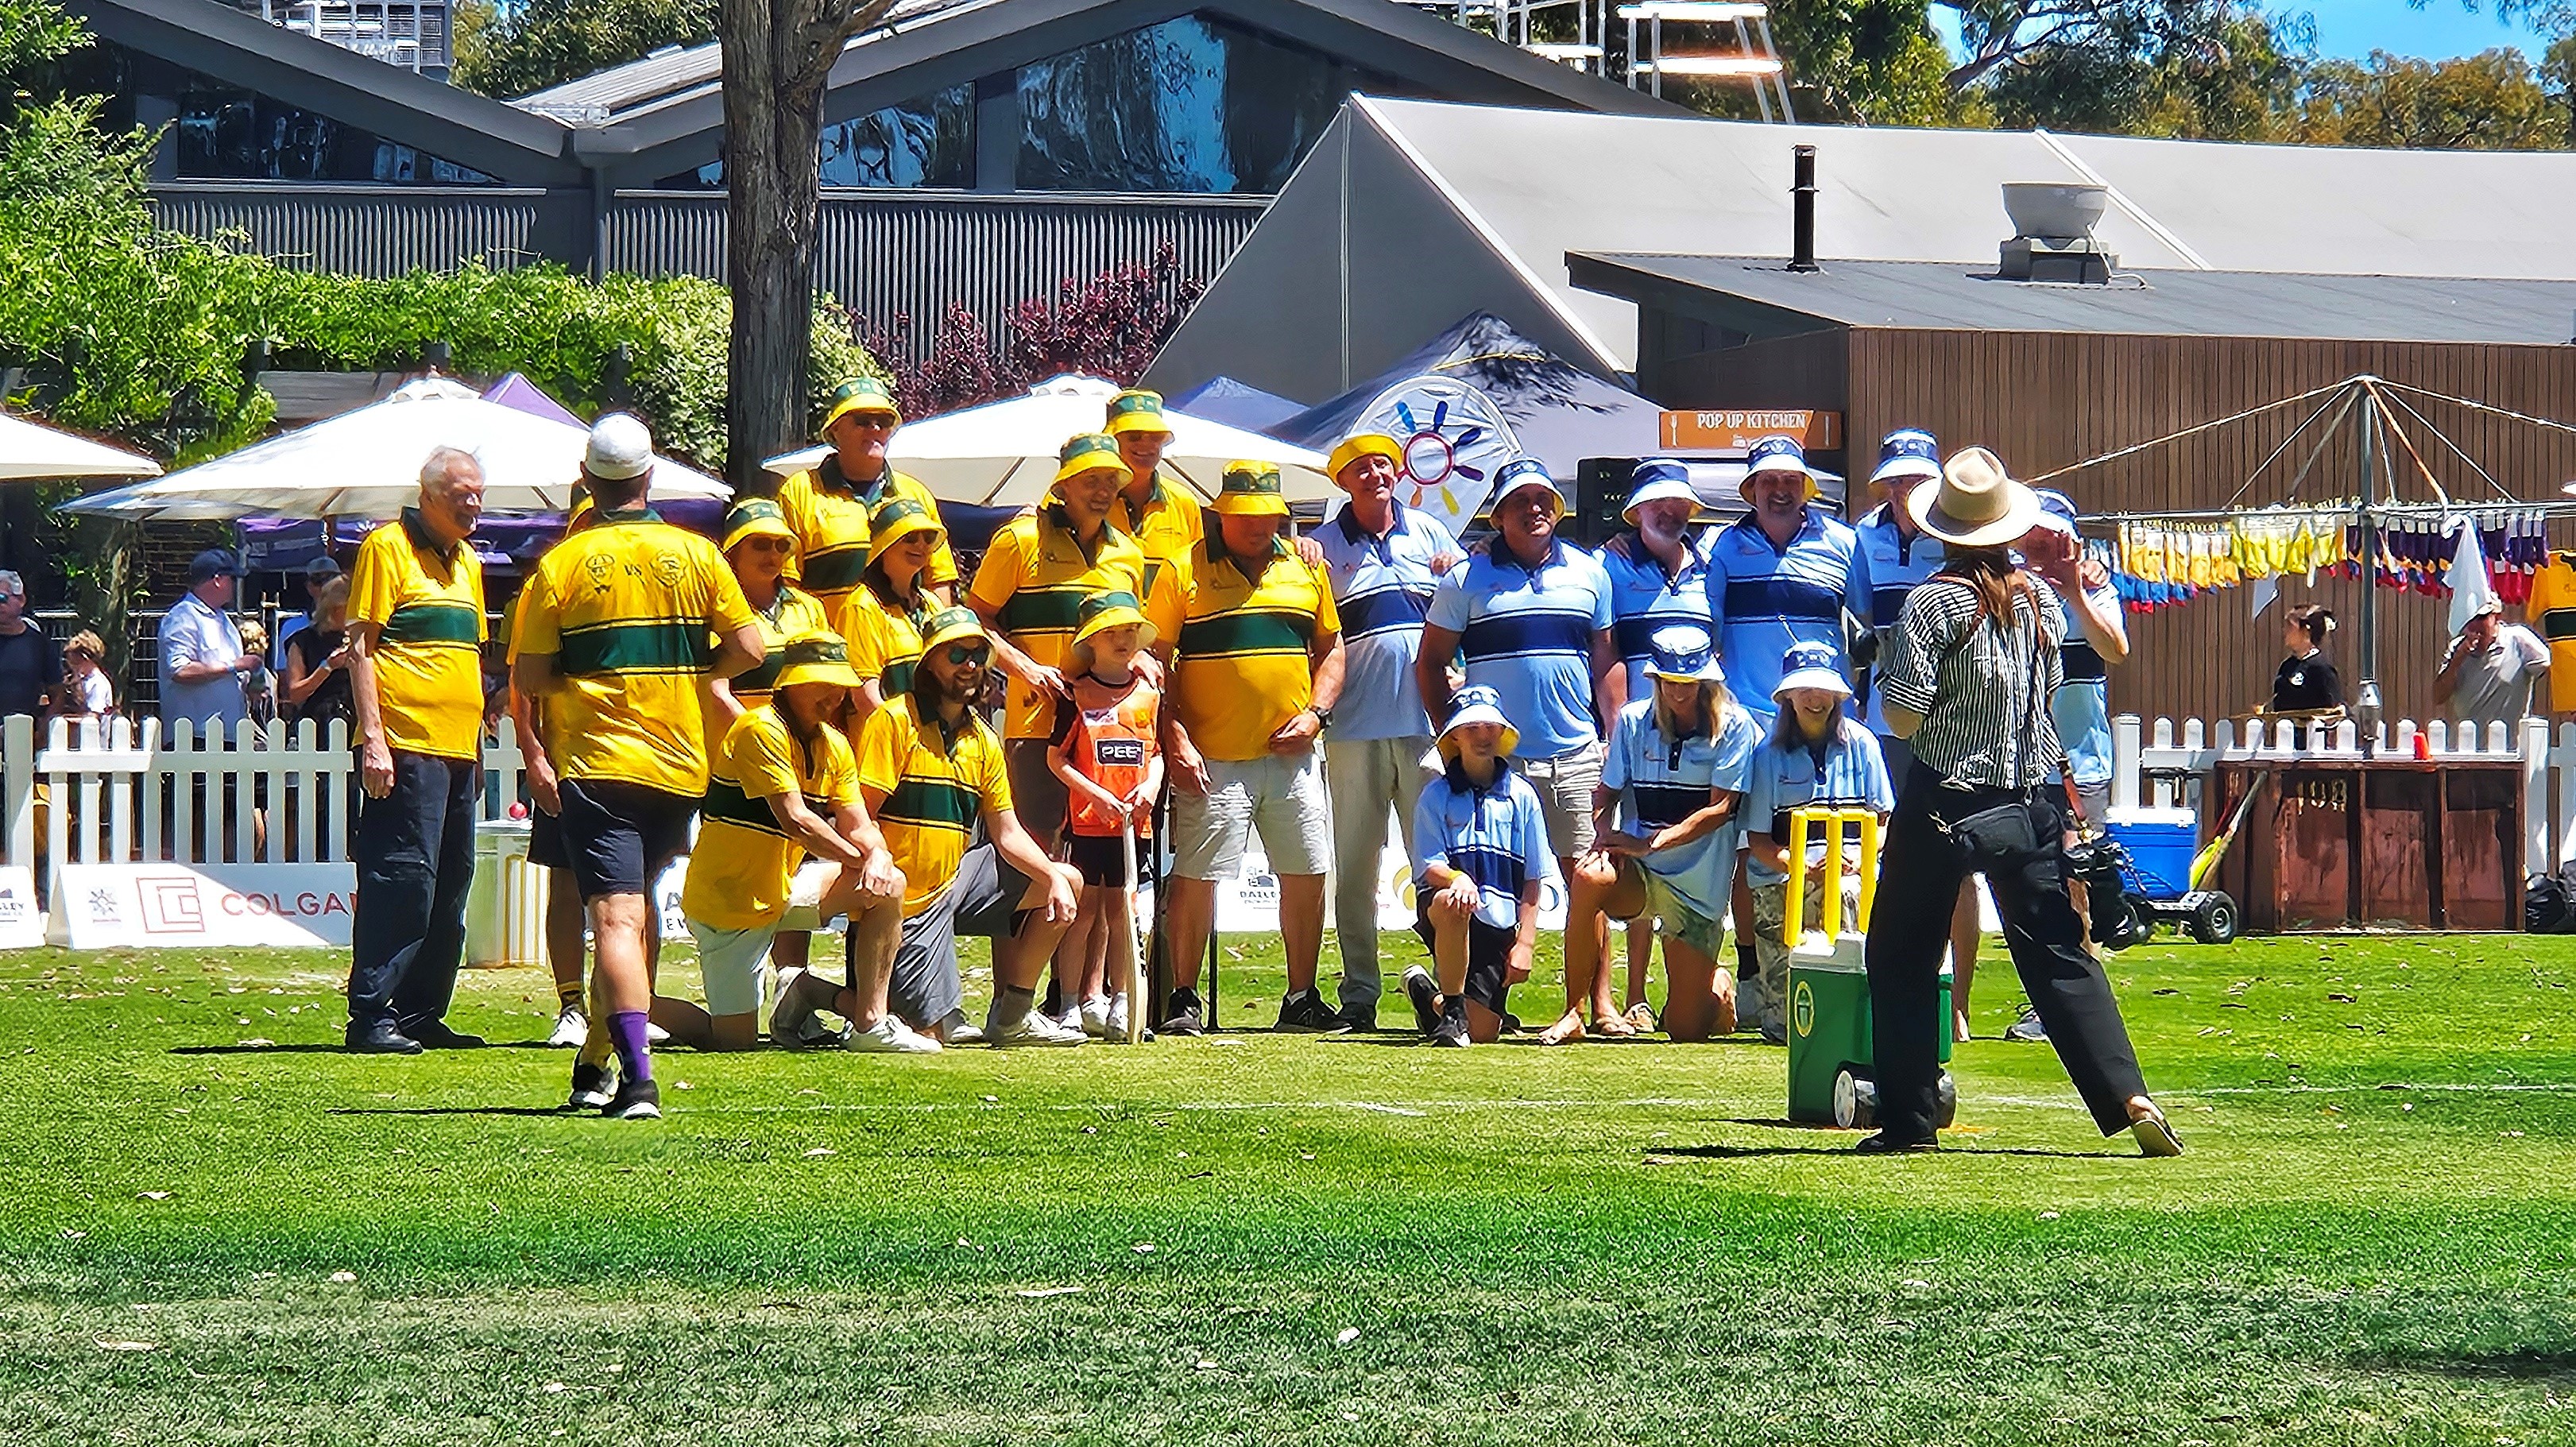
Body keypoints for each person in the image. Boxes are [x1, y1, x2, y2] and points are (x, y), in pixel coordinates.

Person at [1865, 447, 2181, 1157]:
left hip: (1946, 800)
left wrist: (1886, 666)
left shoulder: (1930, 602)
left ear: (1944, 527)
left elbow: (1904, 719)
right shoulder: (2039, 597)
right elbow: (2052, 690)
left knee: (1902, 954)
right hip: (2032, 800)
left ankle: (1911, 1123)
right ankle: (2130, 1095)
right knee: (2061, 956)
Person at [514, 414, 764, 1120]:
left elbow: (529, 676)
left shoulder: (561, 565)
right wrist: (694, 671)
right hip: (679, 766)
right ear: (650, 476)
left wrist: (578, 675)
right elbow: (750, 648)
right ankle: (595, 1062)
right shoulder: (698, 554)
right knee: (638, 913)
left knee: (617, 920)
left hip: (599, 765)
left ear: (587, 480)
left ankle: (640, 1081)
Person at [772, 607, 1085, 1047]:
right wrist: (878, 865)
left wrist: (1051, 876)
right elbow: (861, 816)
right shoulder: (895, 720)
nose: (970, 665)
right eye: (956, 654)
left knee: (1068, 878)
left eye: (978, 654)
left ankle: (1013, 1016)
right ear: (930, 662)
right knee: (927, 1035)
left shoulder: (984, 739)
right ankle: (806, 989)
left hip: (957, 880)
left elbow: (1007, 833)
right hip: (903, 901)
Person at [1151, 462, 1346, 1036]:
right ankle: (1183, 997)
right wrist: (1175, 736)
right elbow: (1156, 664)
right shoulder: (1182, 567)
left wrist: (1317, 714)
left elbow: (1332, 648)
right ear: (1221, 515)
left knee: (1307, 872)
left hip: (1294, 755)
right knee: (1197, 876)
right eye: (1245, 516)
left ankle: (1301, 996)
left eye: (1268, 515)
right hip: (1212, 756)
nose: (1258, 525)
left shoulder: (1306, 567)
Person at [1418, 457, 1616, 1008]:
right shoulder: (1464, 579)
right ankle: (1480, 1000)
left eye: (1542, 501)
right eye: (1519, 502)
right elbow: (1430, 663)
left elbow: (1606, 662)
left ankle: (1597, 1003)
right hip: (1495, 760)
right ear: (1499, 515)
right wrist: (1453, 736)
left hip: (1575, 752)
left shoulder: (1590, 573)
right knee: (1491, 881)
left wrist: (1612, 734)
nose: (1534, 510)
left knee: (1587, 880)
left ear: (1557, 509)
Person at [669, 631, 911, 1051]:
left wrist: (878, 855)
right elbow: (798, 821)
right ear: (791, 683)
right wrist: (861, 858)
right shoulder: (759, 728)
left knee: (890, 885)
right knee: (733, 1042)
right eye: (822, 683)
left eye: (841, 685)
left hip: (783, 888)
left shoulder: (835, 744)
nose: (834, 695)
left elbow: (858, 821)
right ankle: (627, 1004)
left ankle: (869, 1024)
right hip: (730, 901)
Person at [342, 447, 491, 1055]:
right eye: (460, 494)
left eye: (478, 493)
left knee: (452, 881)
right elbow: (361, 647)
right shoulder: (386, 547)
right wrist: (374, 738)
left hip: (458, 751)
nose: (473, 503)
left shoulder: (470, 562)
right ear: (427, 495)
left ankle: (422, 1011)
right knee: (402, 878)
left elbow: (469, 657)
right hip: (405, 747)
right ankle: (372, 1014)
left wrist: (477, 747)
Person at [1549, 624, 1762, 1045]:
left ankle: (1717, 985)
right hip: (1642, 874)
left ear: (1706, 681)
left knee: (1685, 1030)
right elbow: (1607, 791)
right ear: (1655, 679)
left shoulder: (1736, 725)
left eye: (1688, 682)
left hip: (1699, 890)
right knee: (1588, 877)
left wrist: (1650, 843)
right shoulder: (1632, 720)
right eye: (1668, 682)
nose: (1678, 692)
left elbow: (1720, 809)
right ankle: (1573, 1011)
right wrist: (1602, 833)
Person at [1310, 431, 1459, 1030]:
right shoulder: (1319, 547)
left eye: (1383, 465)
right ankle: (1359, 996)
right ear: (1343, 482)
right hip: (1353, 727)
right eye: (1362, 469)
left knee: (1437, 861)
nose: (1376, 475)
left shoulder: (1432, 534)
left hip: (1427, 728)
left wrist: (1464, 565)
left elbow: (1466, 608)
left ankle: (1454, 990)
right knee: (1355, 868)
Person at [1850, 428, 1982, 1041]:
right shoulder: (1862, 536)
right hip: (1887, 722)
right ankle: (1901, 992)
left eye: (1917, 478)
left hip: (1956, 725)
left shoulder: (1959, 533)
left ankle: (1958, 1001)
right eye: (1896, 479)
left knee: (1959, 861)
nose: (1906, 490)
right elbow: (1856, 618)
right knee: (1896, 858)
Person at [969, 432, 1155, 857]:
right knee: (1034, 852)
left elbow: (1129, 629)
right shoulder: (1020, 540)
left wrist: (1142, 656)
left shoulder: (1129, 554)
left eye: (1111, 481)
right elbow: (975, 618)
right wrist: (1024, 668)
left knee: (1104, 856)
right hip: (1036, 723)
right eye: (1090, 480)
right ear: (1063, 485)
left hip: (1109, 727)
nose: (1103, 491)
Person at [2000, 489, 2134, 1046]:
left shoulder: (2096, 586)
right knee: (2034, 886)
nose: (2041, 546)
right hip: (2020, 761)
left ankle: (2076, 1002)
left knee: (2078, 880)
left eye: (2052, 536)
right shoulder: (2006, 586)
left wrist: (2075, 590)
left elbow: (2116, 649)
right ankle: (2049, 997)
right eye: (2032, 536)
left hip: (2081, 761)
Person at [1595, 459, 1715, 1032]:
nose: (1670, 512)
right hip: (1638, 735)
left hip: (1698, 734)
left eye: (1679, 504)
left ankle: (1692, 984)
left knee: (1687, 857)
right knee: (1636, 852)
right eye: (1658, 504)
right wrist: (1616, 727)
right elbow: (1608, 651)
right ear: (1636, 511)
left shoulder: (1710, 568)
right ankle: (1636, 994)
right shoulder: (1610, 564)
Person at [702, 499, 836, 984]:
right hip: (733, 759)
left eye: (782, 545)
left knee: (794, 864)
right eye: (760, 544)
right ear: (733, 552)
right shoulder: (714, 611)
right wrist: (762, 738)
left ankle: (791, 983)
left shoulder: (808, 607)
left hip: (798, 756)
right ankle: (740, 981)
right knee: (747, 869)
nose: (773, 554)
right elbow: (711, 686)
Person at [1741, 642, 1896, 1044]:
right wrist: (1801, 867)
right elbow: (1758, 841)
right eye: (1805, 690)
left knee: (1847, 893)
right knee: (1782, 1028)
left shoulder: (1864, 744)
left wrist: (1856, 860)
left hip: (1853, 871)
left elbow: (1883, 823)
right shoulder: (1767, 755)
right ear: (1788, 697)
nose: (1815, 699)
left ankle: (1850, 1014)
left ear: (1838, 695)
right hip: (1784, 876)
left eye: (1824, 690)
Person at [1398, 686, 1557, 1047]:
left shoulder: (1522, 795)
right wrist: (1458, 879)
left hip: (1499, 923)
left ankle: (1427, 996)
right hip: (1447, 909)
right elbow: (1429, 865)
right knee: (1453, 902)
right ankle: (1453, 1013)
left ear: (1502, 733)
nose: (1482, 736)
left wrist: (1525, 944)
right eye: (1471, 728)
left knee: (1484, 1032)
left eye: (1490, 727)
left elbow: (1534, 877)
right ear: (1455, 735)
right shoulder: (1435, 795)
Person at [1045, 590, 1163, 1039]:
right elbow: (1057, 759)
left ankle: (1122, 1001)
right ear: (1091, 640)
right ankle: (1070, 1003)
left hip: (1134, 826)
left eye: (1130, 631)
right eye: (1111, 631)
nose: (1122, 639)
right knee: (1083, 912)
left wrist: (1150, 786)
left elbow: (1155, 754)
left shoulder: (1148, 694)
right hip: (1087, 824)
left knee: (1123, 914)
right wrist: (1093, 795)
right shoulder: (1076, 695)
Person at [507, 509, 600, 1050]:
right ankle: (571, 1005)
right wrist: (535, 756)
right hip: (567, 759)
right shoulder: (545, 586)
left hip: (637, 759)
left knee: (640, 887)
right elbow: (522, 684)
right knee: (565, 883)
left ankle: (632, 1005)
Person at [1704, 435, 1870, 720]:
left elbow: (1867, 624)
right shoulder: (1718, 546)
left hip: (1826, 715)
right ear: (1752, 489)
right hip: (1747, 719)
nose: (1780, 489)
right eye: (1769, 480)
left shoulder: (1846, 543)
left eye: (1790, 480)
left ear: (1804, 487)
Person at [775, 376, 959, 617]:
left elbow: (938, 582)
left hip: (906, 640)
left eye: (884, 421)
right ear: (835, 429)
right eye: (863, 420)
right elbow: (787, 584)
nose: (875, 428)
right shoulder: (801, 491)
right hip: (832, 639)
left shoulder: (916, 494)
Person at [837, 495, 943, 726]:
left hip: (932, 740)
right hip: (885, 741)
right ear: (884, 544)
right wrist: (904, 737)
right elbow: (865, 698)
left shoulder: (931, 604)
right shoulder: (863, 606)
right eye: (910, 537)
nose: (921, 545)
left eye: (928, 537)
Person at [157, 549, 254, 736]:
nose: (235, 585)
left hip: (228, 733)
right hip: (194, 735)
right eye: (232, 579)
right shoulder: (183, 616)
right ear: (217, 580)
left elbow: (230, 675)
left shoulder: (225, 621)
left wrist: (250, 683)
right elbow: (180, 671)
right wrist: (233, 666)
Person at [2437, 595, 2548, 737]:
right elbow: (2439, 697)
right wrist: (2457, 661)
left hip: (2511, 745)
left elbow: (2550, 668)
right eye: (2470, 619)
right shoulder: (2457, 647)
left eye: (2481, 618)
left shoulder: (2517, 639)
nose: (2474, 625)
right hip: (2467, 743)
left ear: (2497, 616)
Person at [281, 575, 355, 736]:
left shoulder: (360, 638)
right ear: (334, 609)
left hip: (355, 722)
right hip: (316, 723)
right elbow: (295, 694)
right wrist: (328, 667)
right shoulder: (303, 641)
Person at [0, 570, 62, 725]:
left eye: (2, 598)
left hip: (23, 730)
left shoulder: (39, 644)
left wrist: (44, 728)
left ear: (21, 600)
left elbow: (58, 693)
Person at [2268, 605, 2342, 715]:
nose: (2285, 631)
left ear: (2306, 631)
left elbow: (2334, 710)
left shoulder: (2322, 669)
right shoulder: (2287, 666)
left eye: (2290, 627)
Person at [60, 631, 114, 722]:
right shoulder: (84, 680)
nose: (71, 666)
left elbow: (93, 717)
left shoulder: (97, 683)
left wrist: (64, 721)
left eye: (74, 663)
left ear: (85, 658)